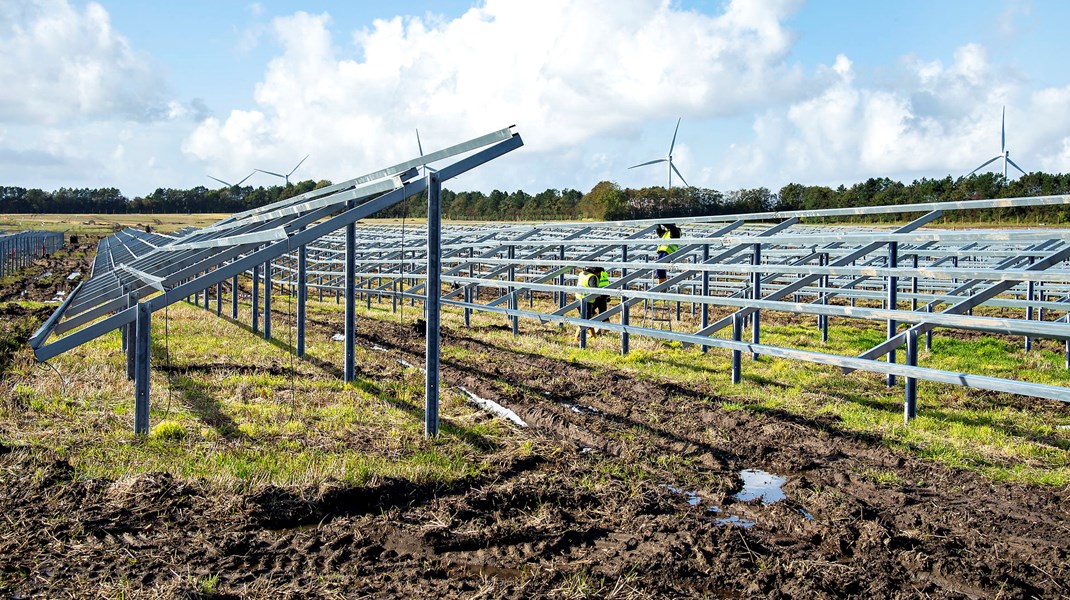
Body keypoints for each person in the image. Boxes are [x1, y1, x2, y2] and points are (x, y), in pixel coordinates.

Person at [575, 266, 610, 340]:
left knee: (588, 318)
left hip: (578, 299)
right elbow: (594, 291)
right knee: (585, 319)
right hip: (587, 301)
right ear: (597, 272)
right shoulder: (592, 277)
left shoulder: (582, 273)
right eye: (600, 273)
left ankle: (593, 336)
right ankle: (577, 337)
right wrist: (601, 297)